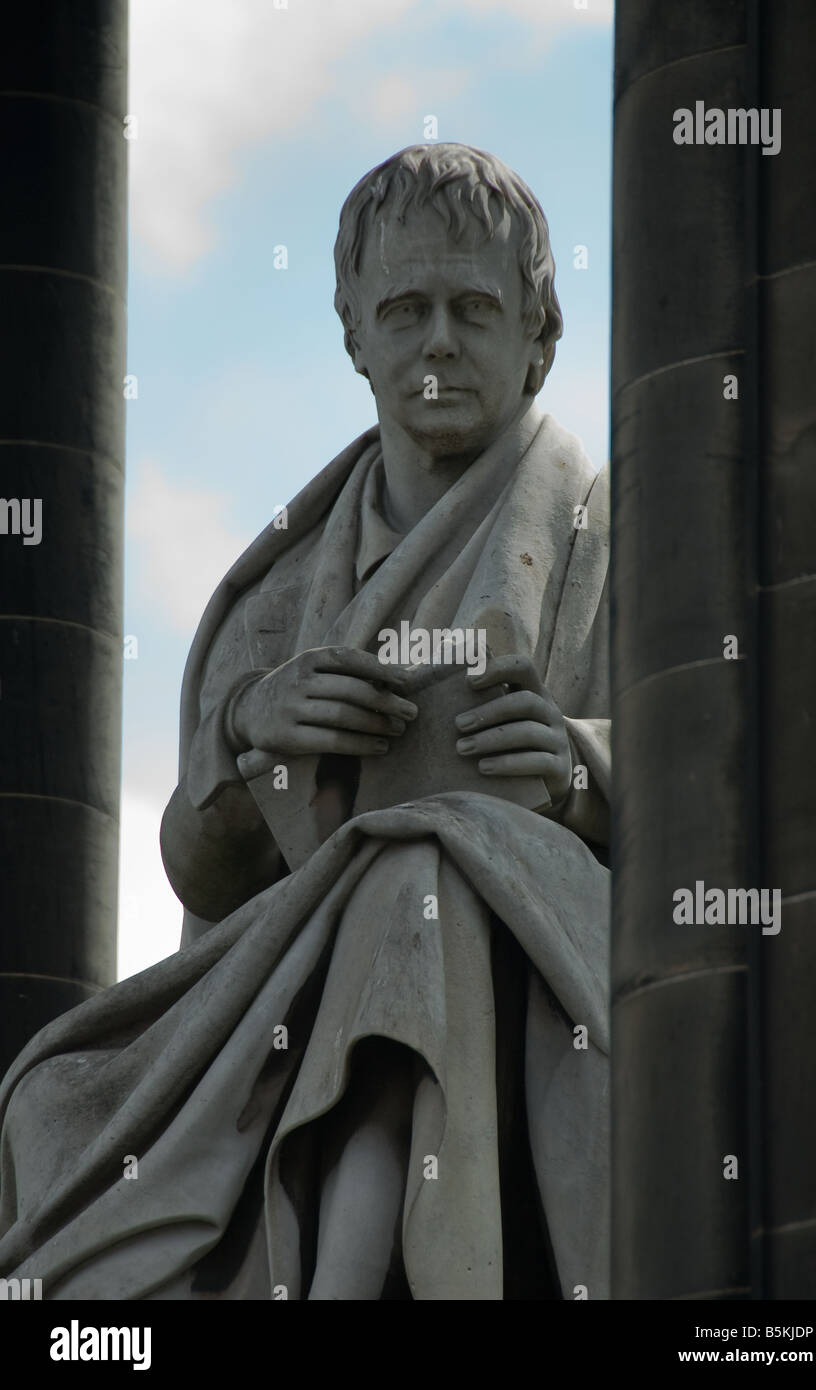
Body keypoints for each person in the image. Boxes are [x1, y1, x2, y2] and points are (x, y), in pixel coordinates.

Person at [0, 143, 610, 1300]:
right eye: (405, 309)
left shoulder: (614, 533)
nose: (437, 340)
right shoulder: (273, 595)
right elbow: (199, 869)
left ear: (539, 338)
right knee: (51, 1089)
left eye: (474, 308)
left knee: (414, 875)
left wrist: (579, 768)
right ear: (354, 337)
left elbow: (738, 792)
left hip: (543, 954)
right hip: (288, 973)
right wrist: (247, 734)